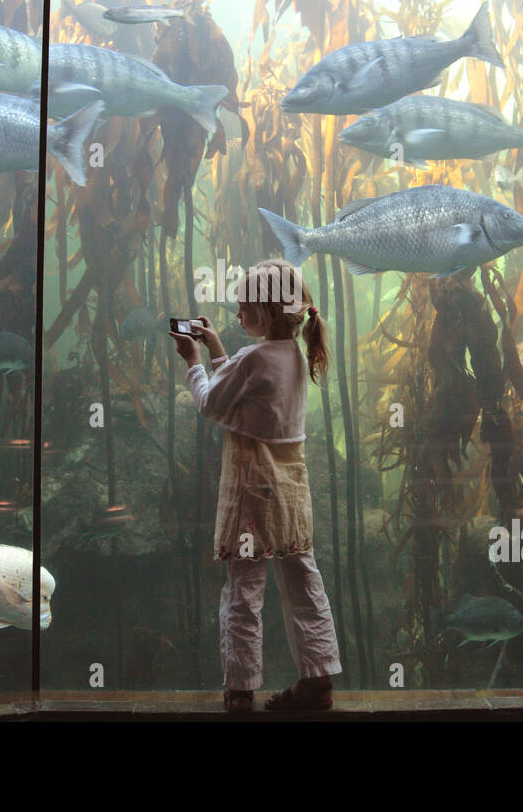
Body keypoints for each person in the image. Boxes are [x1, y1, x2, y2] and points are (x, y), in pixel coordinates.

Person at [169, 258, 341, 713]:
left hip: (251, 493)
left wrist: (193, 361)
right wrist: (219, 349)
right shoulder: (293, 356)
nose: (238, 313)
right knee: (303, 580)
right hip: (289, 491)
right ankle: (318, 682)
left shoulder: (253, 357)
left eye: (244, 307)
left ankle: (240, 690)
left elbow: (212, 402)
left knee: (244, 589)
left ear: (263, 314)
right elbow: (246, 395)